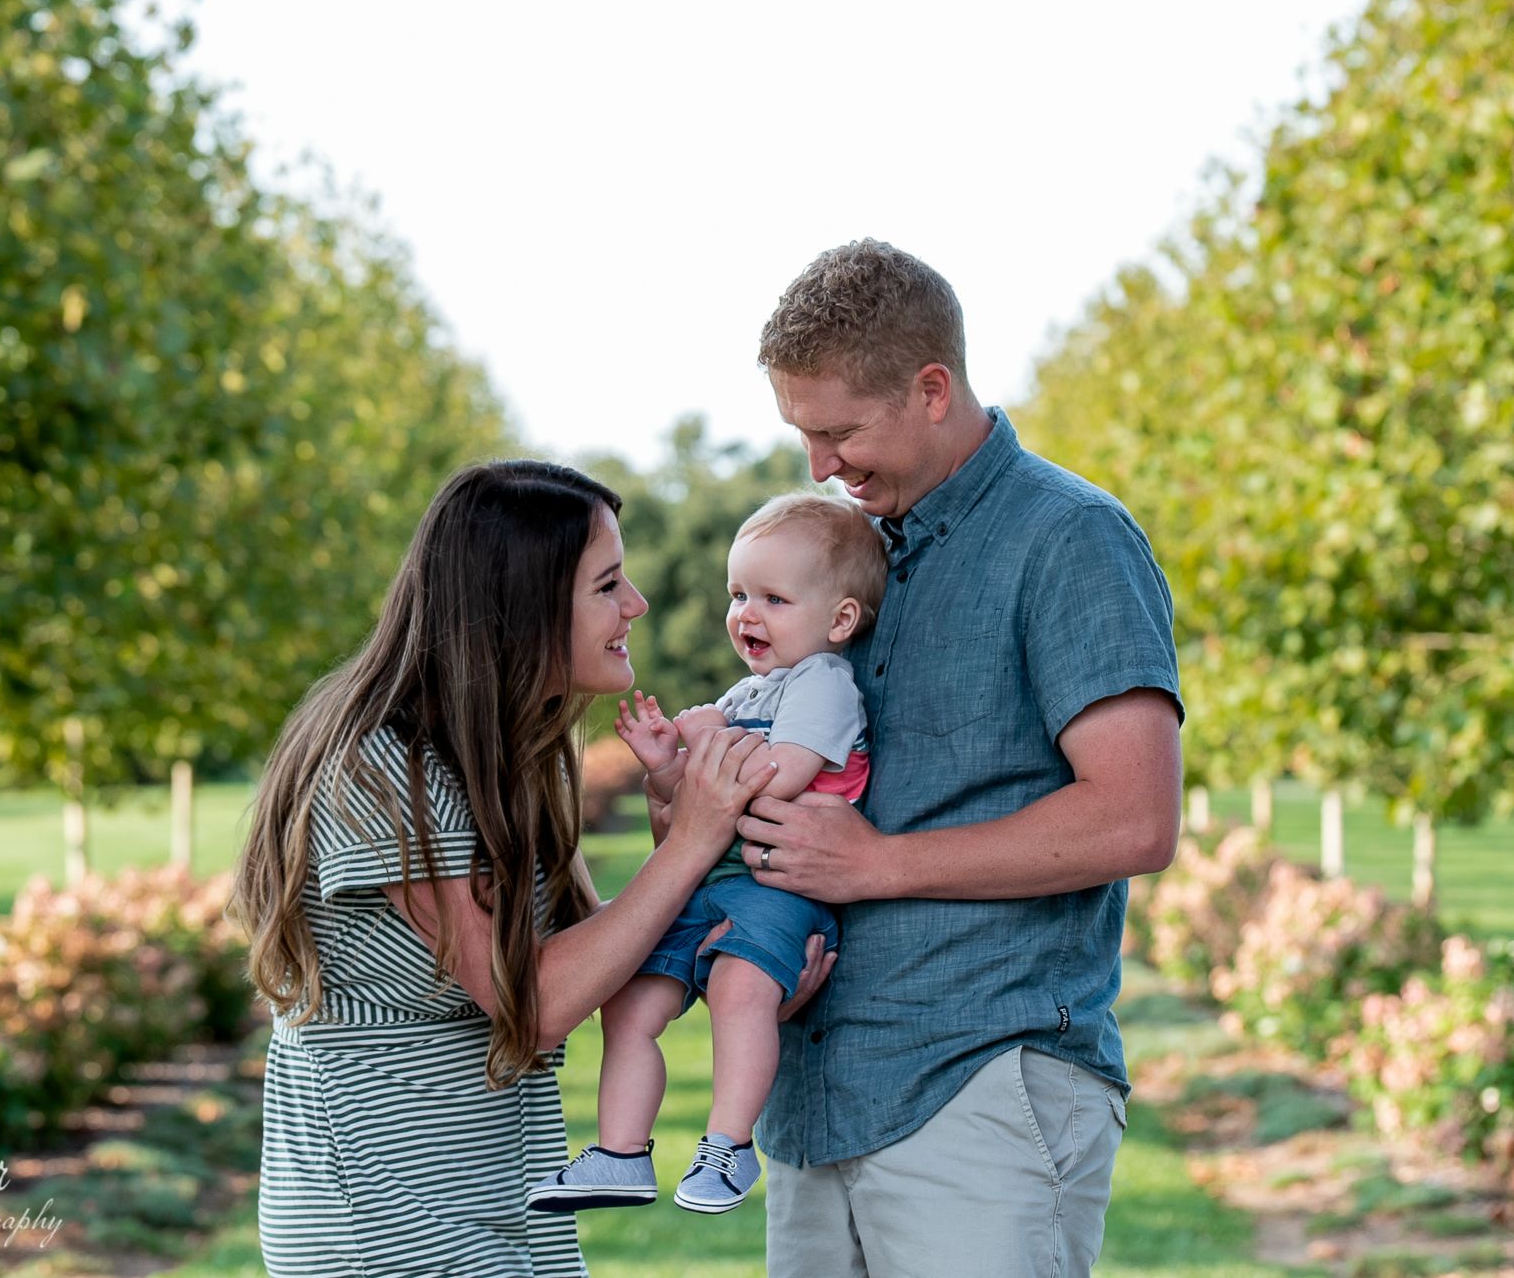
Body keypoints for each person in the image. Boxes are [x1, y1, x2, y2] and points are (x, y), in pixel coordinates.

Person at [717, 240, 1186, 1277]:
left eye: (838, 431)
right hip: (814, 1097)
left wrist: (875, 863)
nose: (819, 467)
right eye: (802, 434)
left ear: (931, 389)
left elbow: (1133, 817)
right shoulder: (845, 557)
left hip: (980, 1089)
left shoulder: (1067, 538)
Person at [230, 459, 803, 1278]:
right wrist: (690, 843)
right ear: (523, 606)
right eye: (608, 585)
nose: (634, 605)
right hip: (386, 1219)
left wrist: (753, 953)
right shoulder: (387, 765)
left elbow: (597, 964)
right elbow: (531, 1006)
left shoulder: (511, 755)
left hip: (491, 1194)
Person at [527, 493, 886, 1216]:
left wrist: (705, 752)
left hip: (776, 882)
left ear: (840, 619)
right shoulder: (749, 691)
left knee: (738, 989)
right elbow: (692, 810)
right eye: (739, 594)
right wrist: (667, 766)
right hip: (714, 876)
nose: (746, 614)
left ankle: (728, 1143)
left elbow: (773, 779)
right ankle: (620, 1153)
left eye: (773, 598)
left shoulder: (823, 684)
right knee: (629, 1001)